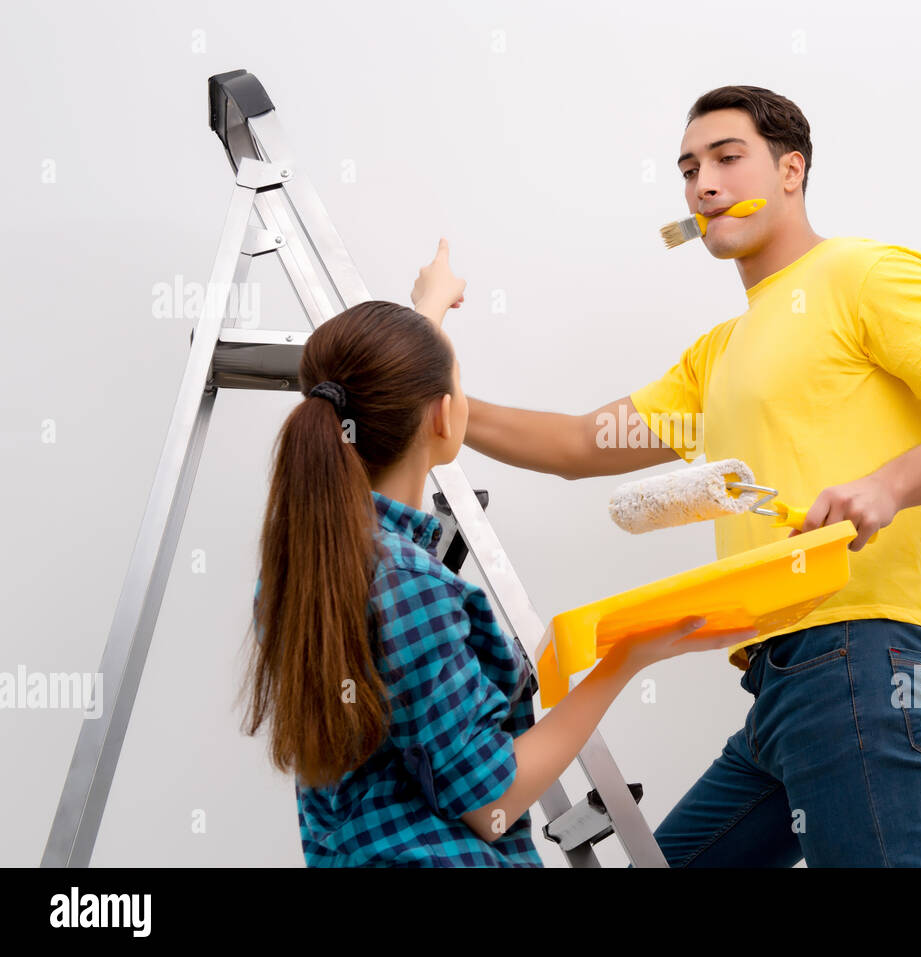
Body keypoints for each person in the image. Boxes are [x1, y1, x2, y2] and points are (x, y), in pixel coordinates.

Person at [460, 86, 921, 866]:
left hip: (861, 652)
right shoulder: (720, 354)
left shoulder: (863, 273)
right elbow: (580, 444)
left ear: (791, 171)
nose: (702, 184)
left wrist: (887, 484)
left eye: (726, 158)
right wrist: (439, 408)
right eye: (687, 169)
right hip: (782, 684)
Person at [239, 241, 757, 866]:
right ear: (439, 416)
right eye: (458, 388)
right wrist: (625, 661)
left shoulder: (306, 567)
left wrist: (429, 307)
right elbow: (494, 804)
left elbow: (392, 384)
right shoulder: (410, 583)